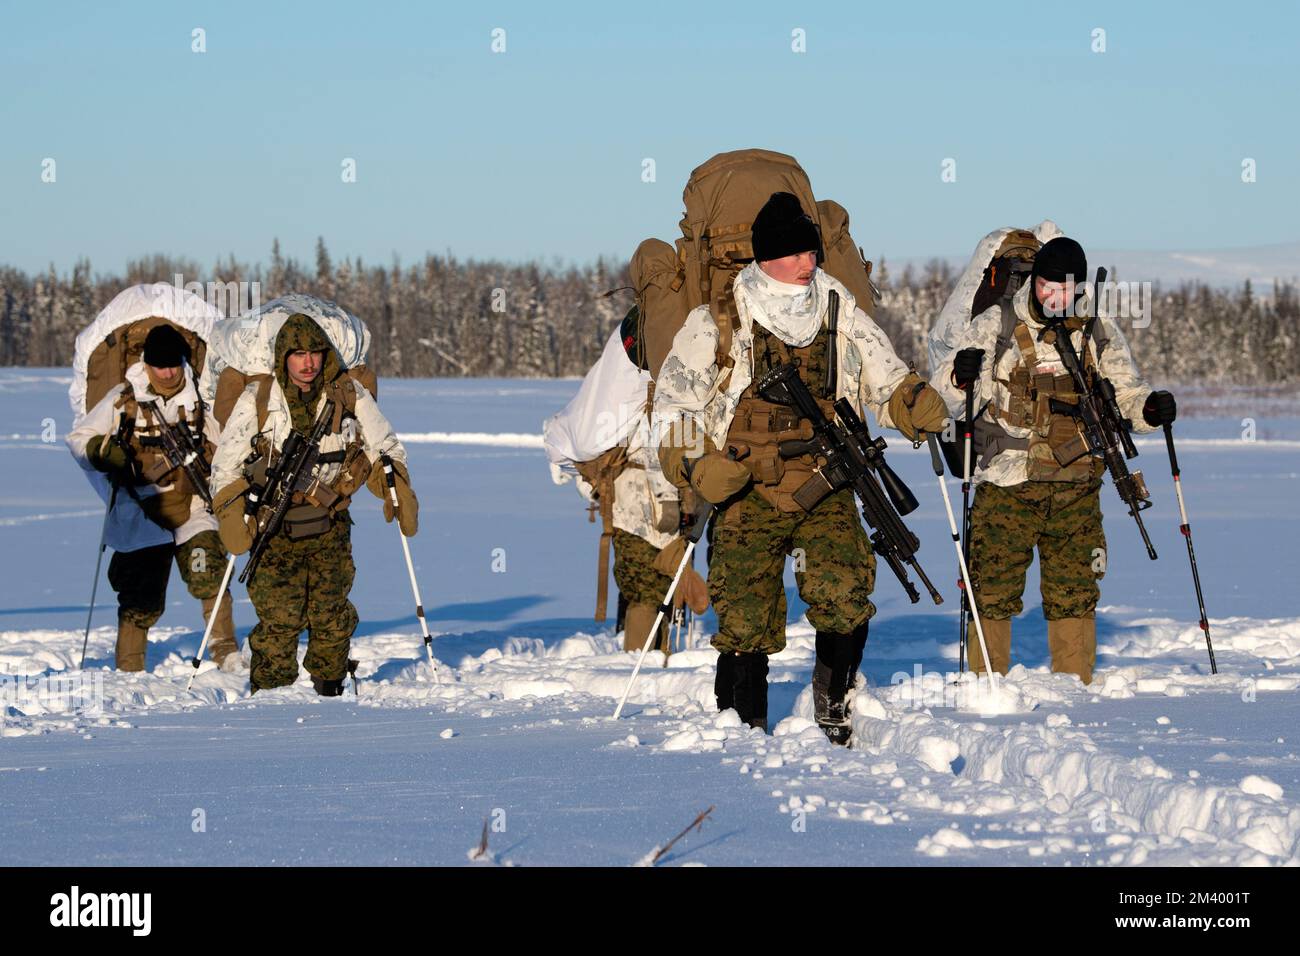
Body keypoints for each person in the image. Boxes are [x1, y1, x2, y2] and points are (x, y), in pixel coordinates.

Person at [653, 191, 948, 741]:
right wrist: (695, 464)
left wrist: (911, 401)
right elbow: (672, 407)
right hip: (746, 488)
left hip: (825, 479)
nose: (808, 263)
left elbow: (883, 377)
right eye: (794, 254)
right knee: (743, 608)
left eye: (811, 252)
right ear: (764, 257)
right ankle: (742, 722)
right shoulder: (718, 322)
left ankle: (835, 703)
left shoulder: (839, 310)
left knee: (843, 587)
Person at [932, 236, 1175, 684]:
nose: (1055, 297)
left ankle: (1076, 690)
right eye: (1047, 285)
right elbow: (945, 396)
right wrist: (959, 375)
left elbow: (1125, 391)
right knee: (992, 590)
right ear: (1034, 281)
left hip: (1077, 484)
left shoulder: (1096, 328)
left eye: (1066, 289)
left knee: (1076, 591)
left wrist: (1149, 410)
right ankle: (986, 691)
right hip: (1008, 483)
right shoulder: (996, 324)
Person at [210, 313, 414, 695]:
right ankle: (268, 700)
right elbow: (225, 464)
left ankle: (330, 693)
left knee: (332, 618)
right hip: (273, 531)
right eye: (298, 354)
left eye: (316, 353)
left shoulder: (349, 393)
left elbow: (384, 443)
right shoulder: (259, 400)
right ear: (283, 357)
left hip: (329, 526)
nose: (308, 363)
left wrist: (396, 485)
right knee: (279, 621)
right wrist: (229, 510)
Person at [67, 323, 238, 671]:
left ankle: (227, 654)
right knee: (139, 596)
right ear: (146, 364)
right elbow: (78, 438)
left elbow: (227, 443)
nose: (168, 372)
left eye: (174, 364)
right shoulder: (123, 398)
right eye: (160, 365)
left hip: (191, 508)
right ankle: (129, 668)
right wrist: (102, 451)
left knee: (209, 573)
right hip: (140, 511)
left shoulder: (201, 399)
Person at [544, 313, 707, 653]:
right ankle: (645, 665)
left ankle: (649, 659)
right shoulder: (662, 384)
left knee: (649, 589)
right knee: (650, 591)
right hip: (656, 502)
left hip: (645, 504)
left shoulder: (624, 381)